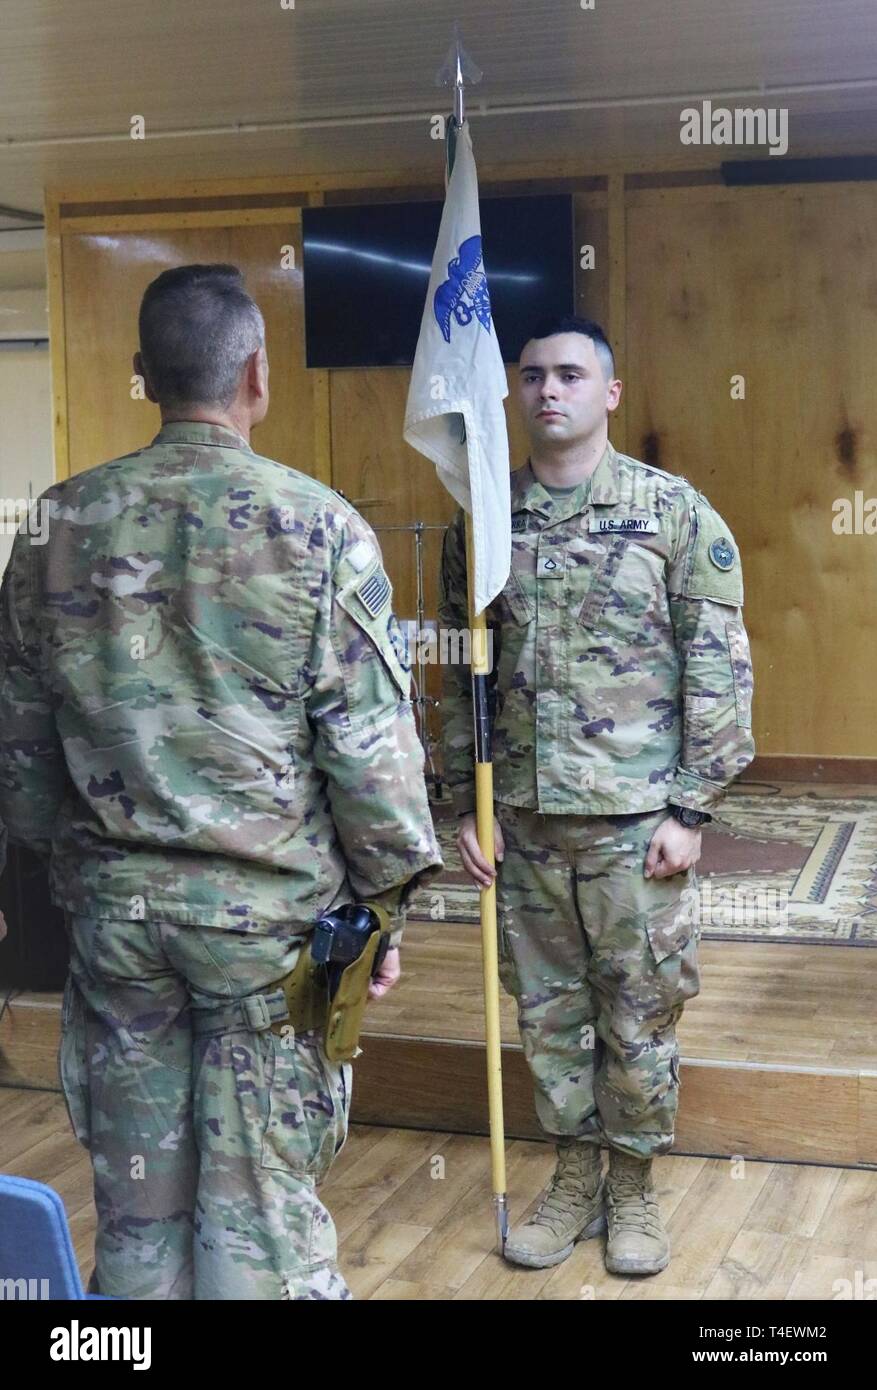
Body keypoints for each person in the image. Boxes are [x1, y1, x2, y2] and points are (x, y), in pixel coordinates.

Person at [0, 263, 442, 1300]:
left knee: (140, 1204)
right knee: (261, 1219)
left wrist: (69, 870)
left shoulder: (49, 527)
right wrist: (381, 917)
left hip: (114, 919)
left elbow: (19, 756)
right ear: (257, 372)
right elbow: (372, 759)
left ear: (142, 372)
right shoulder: (320, 527)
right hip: (271, 931)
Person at [439, 315, 755, 1276]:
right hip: (525, 822)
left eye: (570, 375)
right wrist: (463, 803)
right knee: (545, 1013)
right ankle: (572, 1178)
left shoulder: (672, 513)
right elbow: (464, 674)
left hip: (633, 824)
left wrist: (690, 809)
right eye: (531, 375)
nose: (548, 391)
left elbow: (719, 668)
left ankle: (633, 1191)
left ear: (608, 393)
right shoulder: (483, 522)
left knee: (640, 1013)